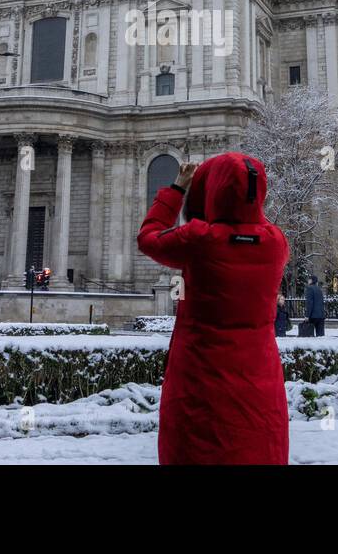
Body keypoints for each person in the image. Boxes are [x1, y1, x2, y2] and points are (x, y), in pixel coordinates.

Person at [137, 152, 289, 465]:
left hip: (199, 379)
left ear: (213, 191)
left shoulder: (200, 240)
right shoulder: (276, 243)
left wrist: (178, 188)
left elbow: (148, 237)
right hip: (260, 383)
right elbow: (249, 218)